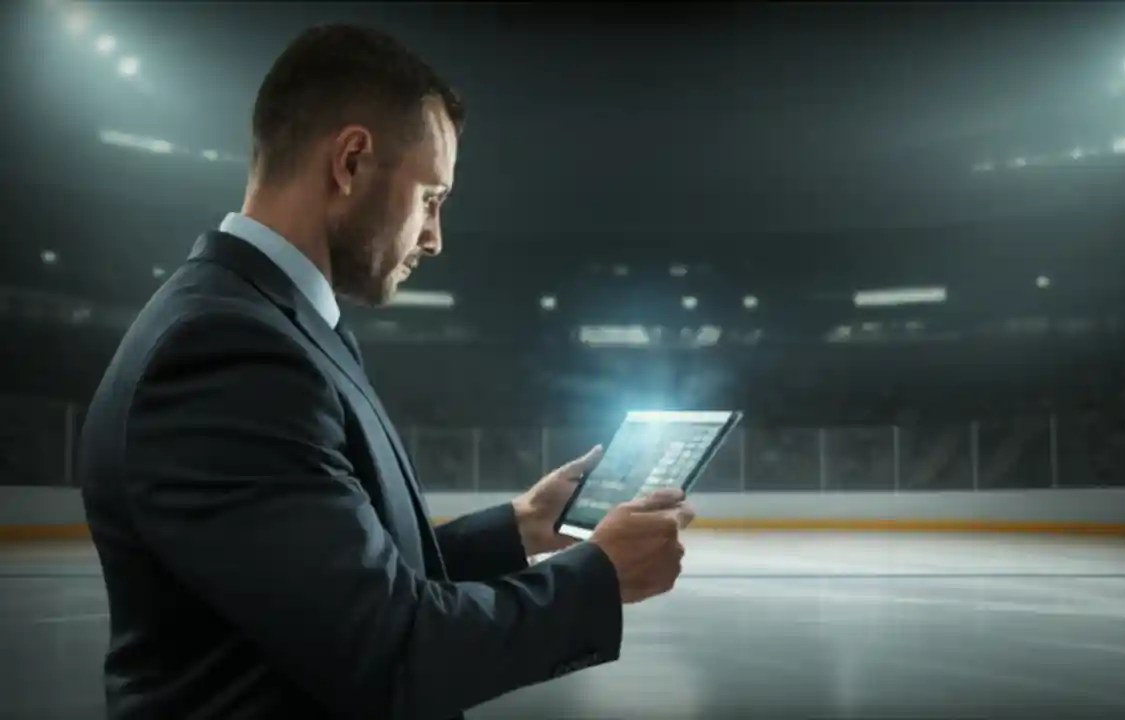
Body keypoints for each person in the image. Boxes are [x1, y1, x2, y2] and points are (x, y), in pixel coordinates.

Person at [77, 23, 694, 720]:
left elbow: (336, 590)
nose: (434, 237)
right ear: (350, 162)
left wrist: (518, 529)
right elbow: (391, 650)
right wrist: (600, 579)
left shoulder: (268, 323)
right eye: (430, 198)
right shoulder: (226, 352)